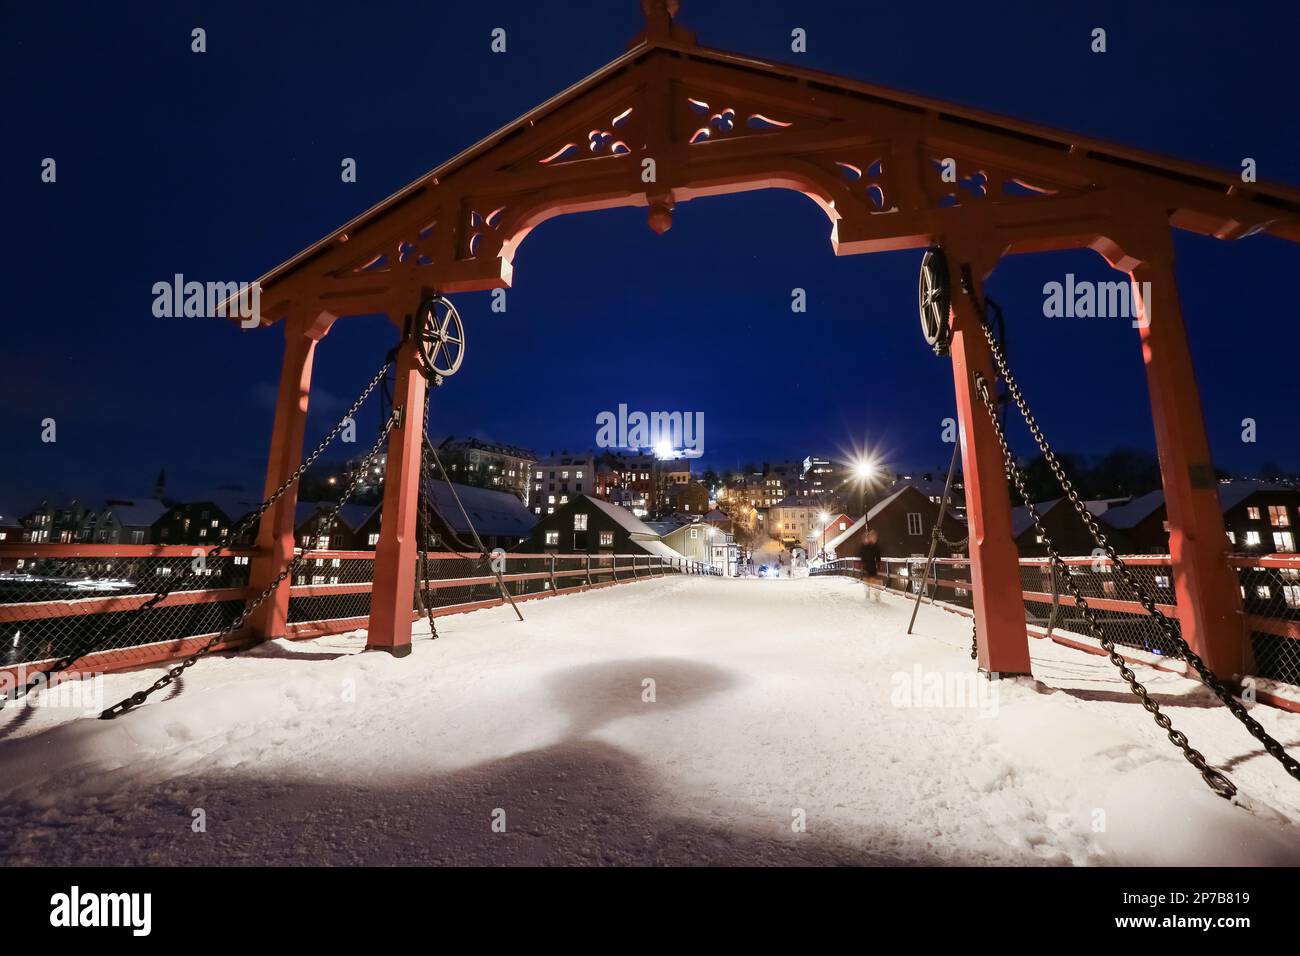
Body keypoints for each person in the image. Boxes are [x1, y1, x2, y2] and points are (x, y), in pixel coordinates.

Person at [859, 529, 882, 601]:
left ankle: (876, 595)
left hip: (872, 565)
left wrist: (878, 563)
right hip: (867, 565)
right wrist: (862, 564)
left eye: (875, 537)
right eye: (873, 536)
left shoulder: (875, 546)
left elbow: (878, 555)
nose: (874, 538)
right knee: (868, 580)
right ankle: (868, 593)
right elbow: (862, 555)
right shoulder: (866, 546)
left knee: (873, 580)